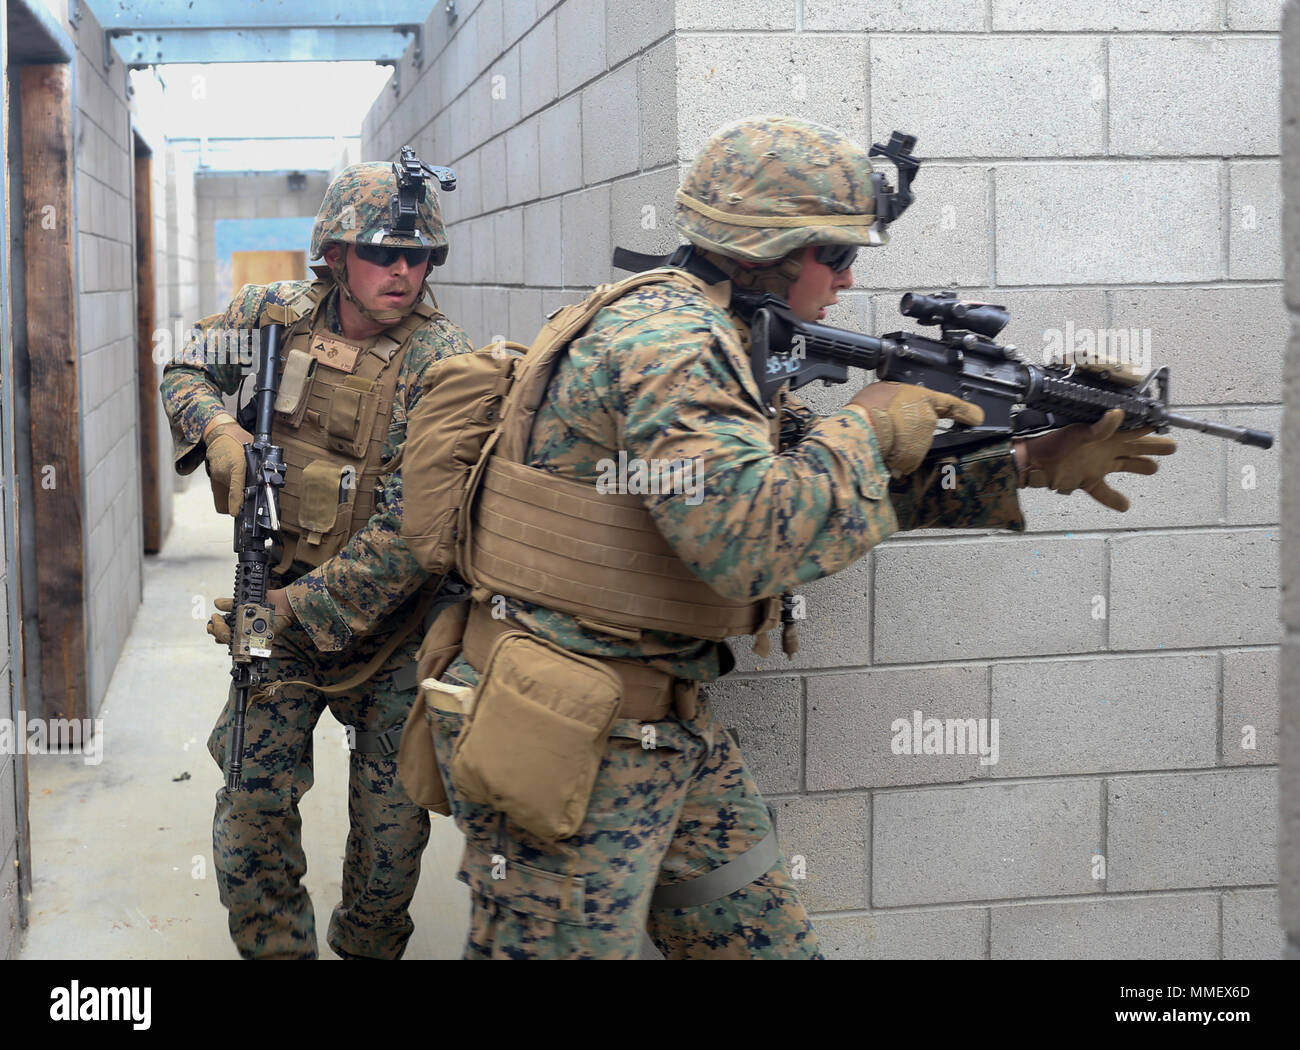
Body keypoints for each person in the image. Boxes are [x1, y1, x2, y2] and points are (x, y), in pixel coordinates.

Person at [418, 115, 1175, 959]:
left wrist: (1028, 459)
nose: (847, 282)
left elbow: (819, 492)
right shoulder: (671, 343)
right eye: (838, 256)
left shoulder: (724, 335)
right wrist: (868, 422)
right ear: (765, 249)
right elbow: (751, 544)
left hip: (665, 727)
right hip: (568, 729)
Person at [160, 158, 472, 959]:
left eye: (419, 256)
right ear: (334, 252)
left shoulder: (443, 363)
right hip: (280, 604)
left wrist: (292, 612)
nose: (403, 271)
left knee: (392, 842)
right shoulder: (273, 314)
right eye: (381, 252)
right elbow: (187, 366)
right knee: (252, 811)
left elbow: (412, 538)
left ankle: (366, 949)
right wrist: (217, 429)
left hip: (393, 632)